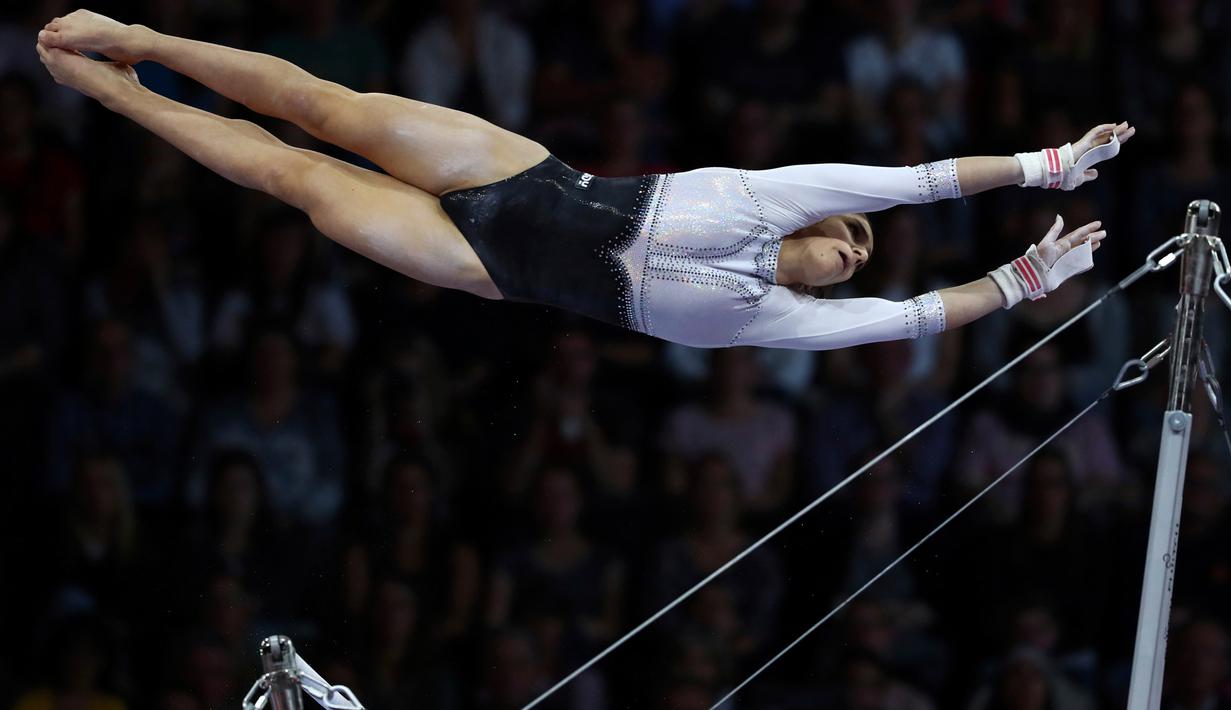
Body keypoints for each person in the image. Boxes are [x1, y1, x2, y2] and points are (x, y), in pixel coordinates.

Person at [37, 10, 1133, 356]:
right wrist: (1048, 165)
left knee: (299, 179)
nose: (854, 253)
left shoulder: (772, 320)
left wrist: (1027, 276)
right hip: (527, 178)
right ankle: (139, 36)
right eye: (853, 238)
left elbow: (913, 315)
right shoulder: (770, 195)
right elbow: (922, 180)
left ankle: (121, 99)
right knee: (323, 108)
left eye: (854, 263)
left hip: (492, 265)